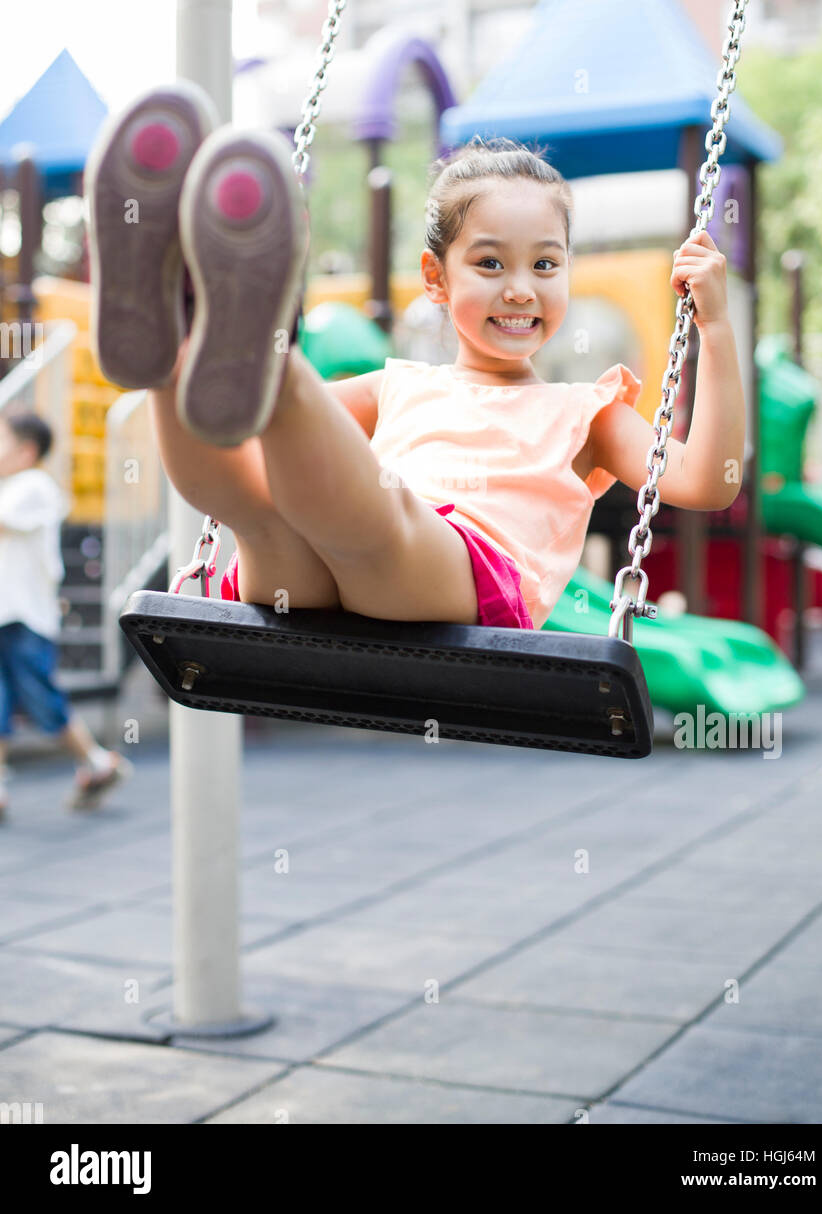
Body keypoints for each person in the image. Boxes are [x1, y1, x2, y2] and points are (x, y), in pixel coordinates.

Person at [85, 84, 745, 639]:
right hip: (311, 586)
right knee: (261, 510)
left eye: (545, 264)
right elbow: (244, 443)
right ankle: (168, 352)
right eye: (490, 263)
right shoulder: (399, 386)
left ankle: (256, 352)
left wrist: (714, 327)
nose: (520, 287)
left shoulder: (585, 415)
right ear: (436, 277)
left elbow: (706, 482)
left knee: (381, 517)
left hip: (455, 581)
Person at [0, 412, 132, 819]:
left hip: (25, 618)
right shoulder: (12, 486)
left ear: (26, 451)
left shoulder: (33, 486)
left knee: (41, 697)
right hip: (7, 615)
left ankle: (96, 761)